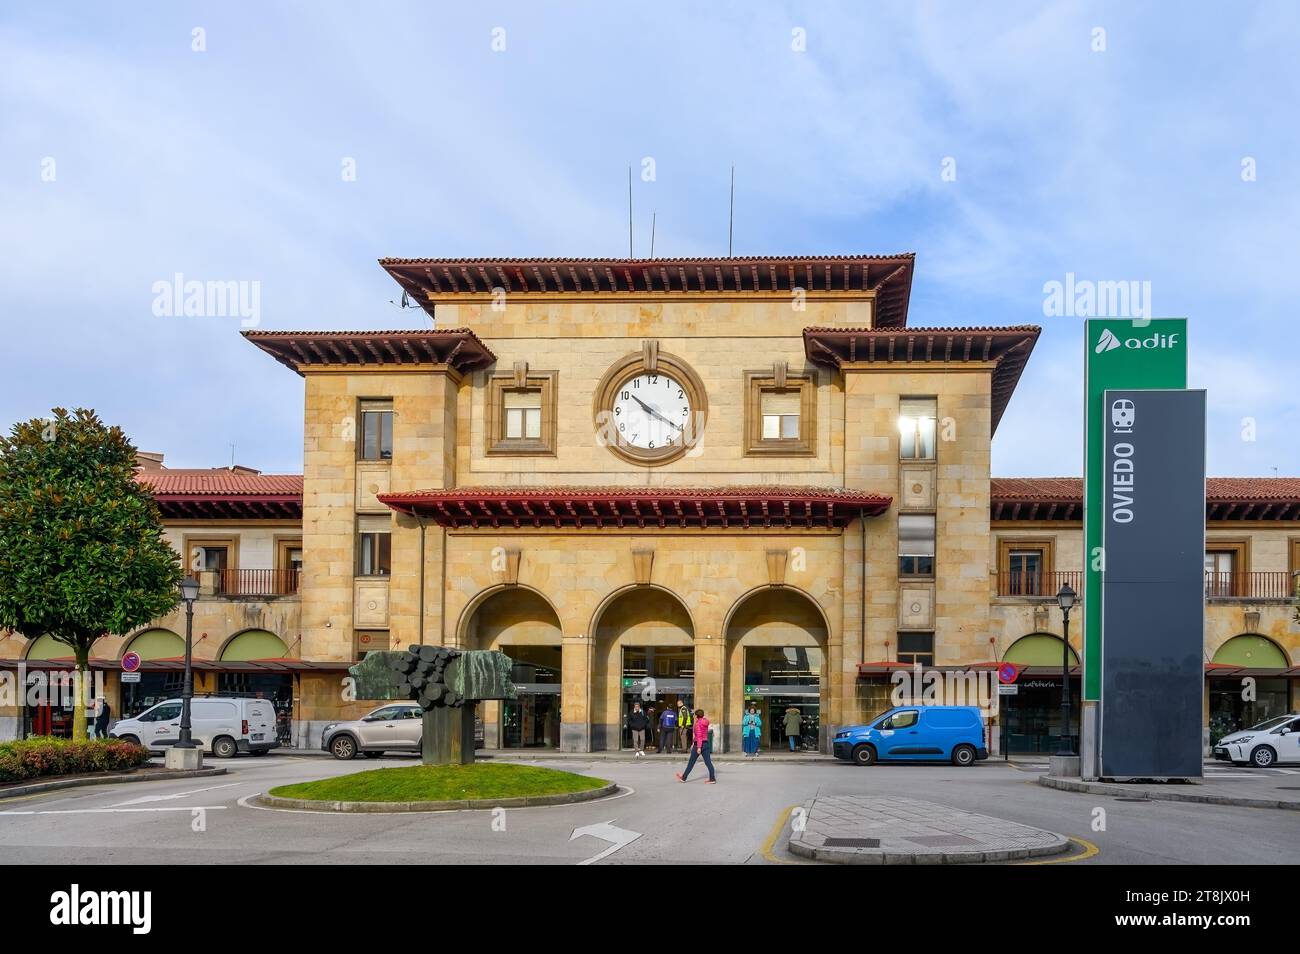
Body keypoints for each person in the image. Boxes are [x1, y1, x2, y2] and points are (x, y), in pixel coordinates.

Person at [675, 708, 716, 784]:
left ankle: (683, 778)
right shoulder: (705, 722)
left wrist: (699, 747)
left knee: (691, 762)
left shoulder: (697, 724)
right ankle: (712, 778)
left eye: (695, 715)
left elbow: (699, 735)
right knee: (708, 762)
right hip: (706, 743)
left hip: (699, 744)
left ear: (697, 716)